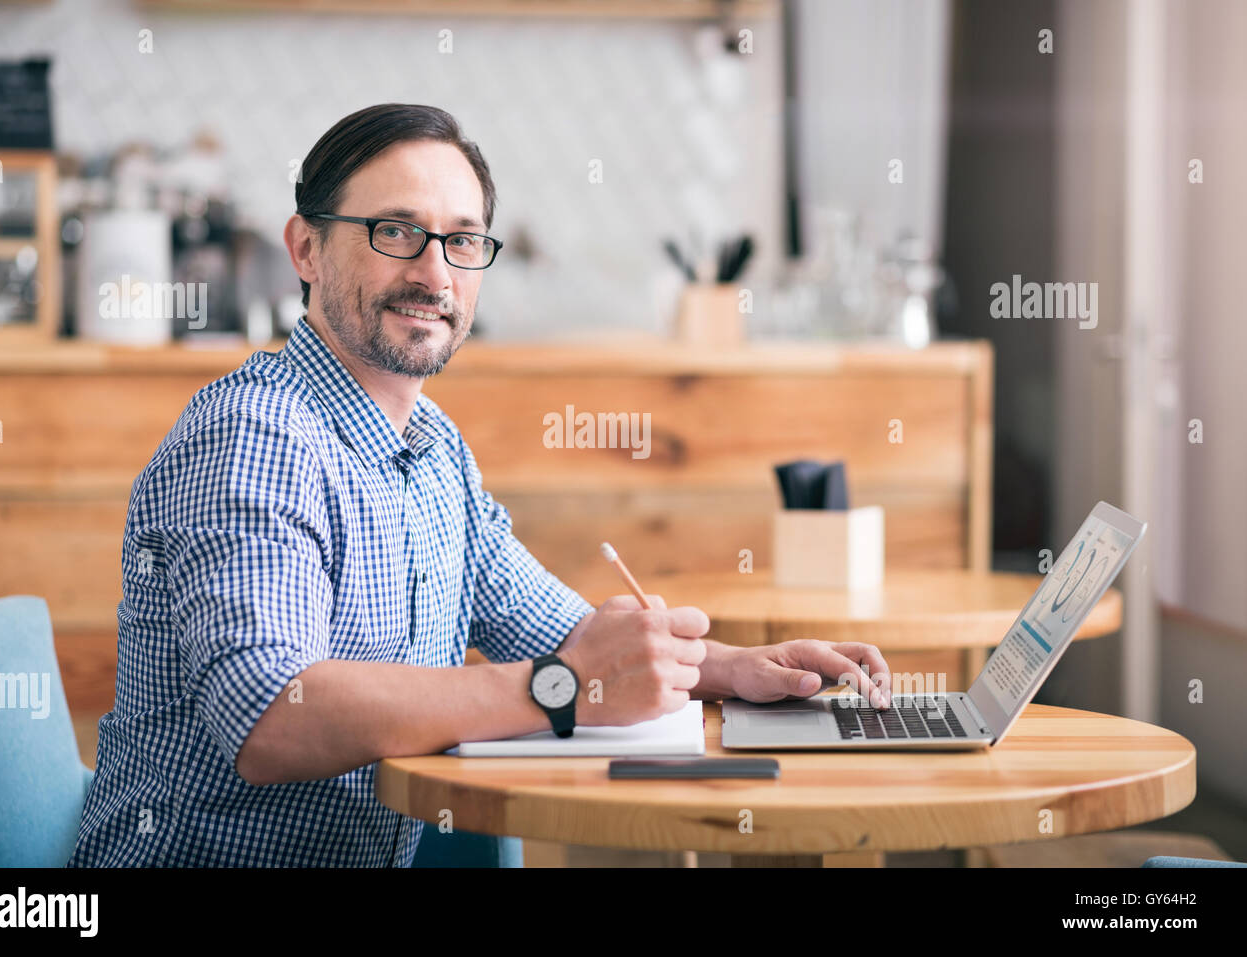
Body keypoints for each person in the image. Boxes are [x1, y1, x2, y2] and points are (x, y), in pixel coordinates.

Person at [68, 103, 891, 867]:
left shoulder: (434, 449)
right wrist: (564, 688)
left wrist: (735, 668)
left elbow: (553, 627)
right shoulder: (257, 434)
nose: (435, 272)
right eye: (396, 230)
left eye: (463, 240)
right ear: (307, 248)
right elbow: (273, 714)